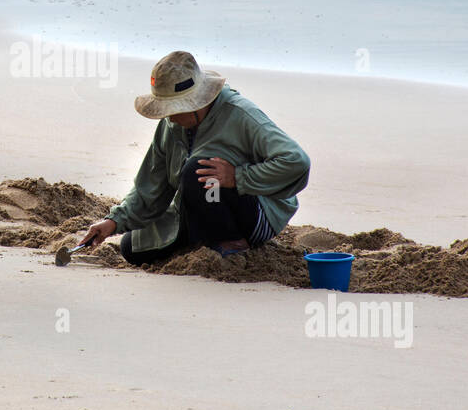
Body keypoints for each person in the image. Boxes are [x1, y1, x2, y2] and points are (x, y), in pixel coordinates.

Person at [80, 51, 310, 263]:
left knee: (197, 171)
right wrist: (114, 221)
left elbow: (296, 161)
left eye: (173, 109)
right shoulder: (170, 125)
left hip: (253, 216)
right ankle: (204, 238)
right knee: (132, 247)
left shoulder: (241, 115)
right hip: (198, 208)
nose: (169, 118)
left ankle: (231, 243)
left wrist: (238, 177)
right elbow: (151, 187)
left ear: (197, 103)